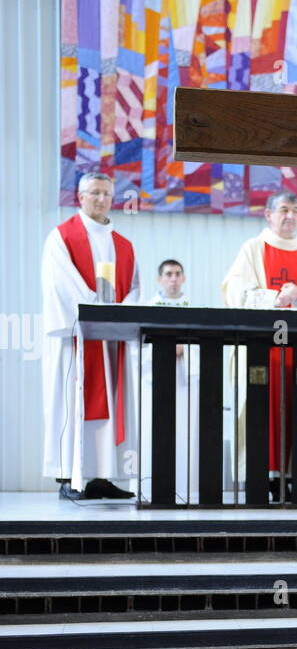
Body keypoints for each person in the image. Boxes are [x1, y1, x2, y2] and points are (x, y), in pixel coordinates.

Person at [221, 190, 297, 500]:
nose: (290, 216)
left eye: (295, 211)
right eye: (283, 210)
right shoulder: (252, 249)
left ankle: (295, 475)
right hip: (261, 348)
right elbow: (234, 288)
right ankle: (263, 476)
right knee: (261, 410)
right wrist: (275, 298)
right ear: (268, 215)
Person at [41, 172, 141, 501]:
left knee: (112, 405)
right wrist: (97, 310)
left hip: (111, 343)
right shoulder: (62, 237)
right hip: (77, 341)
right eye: (94, 193)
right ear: (80, 197)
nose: (100, 199)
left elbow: (136, 289)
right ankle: (72, 478)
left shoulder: (124, 246)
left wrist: (119, 314)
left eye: (106, 194)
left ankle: (101, 476)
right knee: (74, 402)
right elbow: (61, 282)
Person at [142, 260, 199, 504]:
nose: (173, 279)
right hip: (154, 379)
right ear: (159, 279)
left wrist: (184, 348)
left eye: (177, 274)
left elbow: (202, 342)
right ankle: (149, 488)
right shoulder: (148, 308)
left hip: (185, 380)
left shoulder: (193, 308)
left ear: (183, 278)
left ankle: (185, 489)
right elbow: (138, 347)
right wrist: (164, 349)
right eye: (168, 274)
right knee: (153, 431)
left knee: (185, 431)